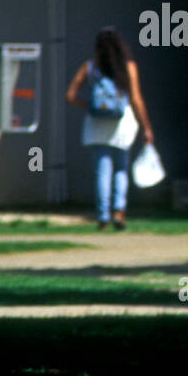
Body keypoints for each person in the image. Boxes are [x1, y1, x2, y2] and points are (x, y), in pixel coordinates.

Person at [64, 28, 155, 230]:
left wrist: (90, 105)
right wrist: (147, 126)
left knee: (102, 171)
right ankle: (119, 211)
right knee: (121, 168)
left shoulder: (89, 67)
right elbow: (136, 99)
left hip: (96, 124)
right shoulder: (127, 66)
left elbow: (70, 96)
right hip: (123, 123)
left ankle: (102, 216)